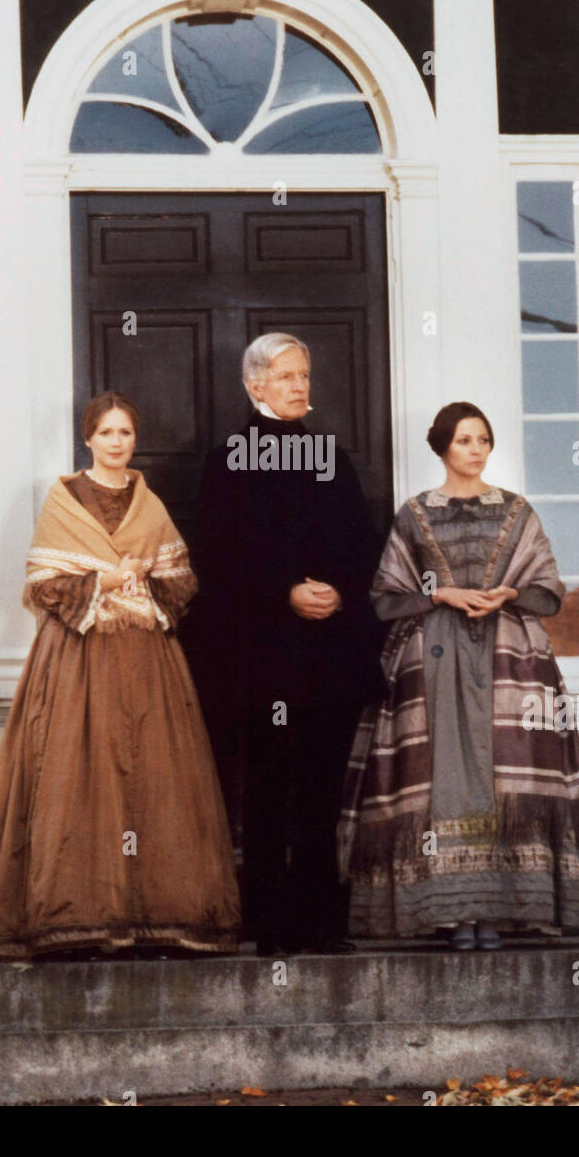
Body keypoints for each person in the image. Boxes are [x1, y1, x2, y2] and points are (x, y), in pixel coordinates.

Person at [0, 392, 241, 960]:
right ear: (88, 438)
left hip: (146, 658)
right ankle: (79, 917)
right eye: (107, 433)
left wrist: (146, 580)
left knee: (154, 776)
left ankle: (156, 916)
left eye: (126, 433)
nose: (118, 442)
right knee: (77, 772)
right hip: (76, 659)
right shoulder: (62, 502)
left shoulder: (151, 505)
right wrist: (107, 583)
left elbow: (182, 581)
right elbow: (40, 583)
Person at [337, 401, 579, 950]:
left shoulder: (516, 511)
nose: (474, 449)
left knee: (508, 775)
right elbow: (383, 592)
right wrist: (438, 592)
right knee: (441, 776)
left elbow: (547, 585)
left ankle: (501, 912)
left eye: (483, 440)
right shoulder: (414, 513)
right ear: (443, 447)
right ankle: (450, 914)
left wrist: (510, 592)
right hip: (432, 656)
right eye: (464, 440)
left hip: (510, 658)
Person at [188, 333, 384, 956]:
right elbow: (218, 557)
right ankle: (271, 925)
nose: (301, 385)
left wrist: (338, 592)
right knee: (269, 787)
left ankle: (322, 925)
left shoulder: (332, 456)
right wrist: (284, 593)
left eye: (305, 374)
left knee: (324, 789)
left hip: (330, 654)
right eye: (286, 375)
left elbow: (363, 545)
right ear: (255, 386)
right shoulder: (228, 460)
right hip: (264, 658)